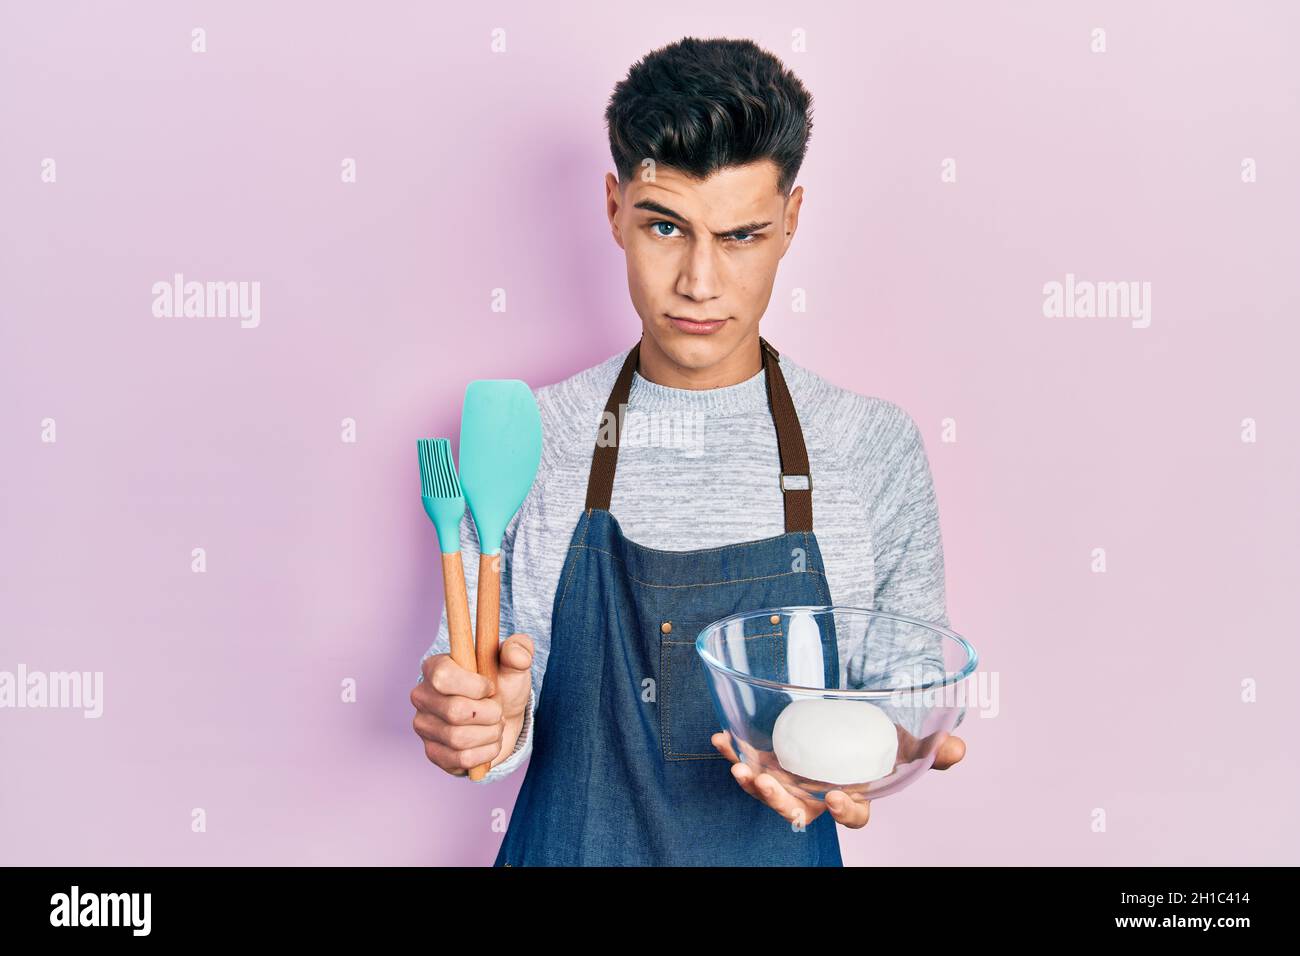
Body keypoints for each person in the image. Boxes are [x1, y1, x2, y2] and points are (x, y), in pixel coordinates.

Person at [411, 35, 965, 866]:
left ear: (791, 223)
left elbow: (912, 687)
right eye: (665, 227)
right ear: (612, 210)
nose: (700, 282)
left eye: (741, 236)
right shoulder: (538, 433)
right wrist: (475, 722)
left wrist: (870, 747)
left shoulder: (868, 445)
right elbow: (488, 709)